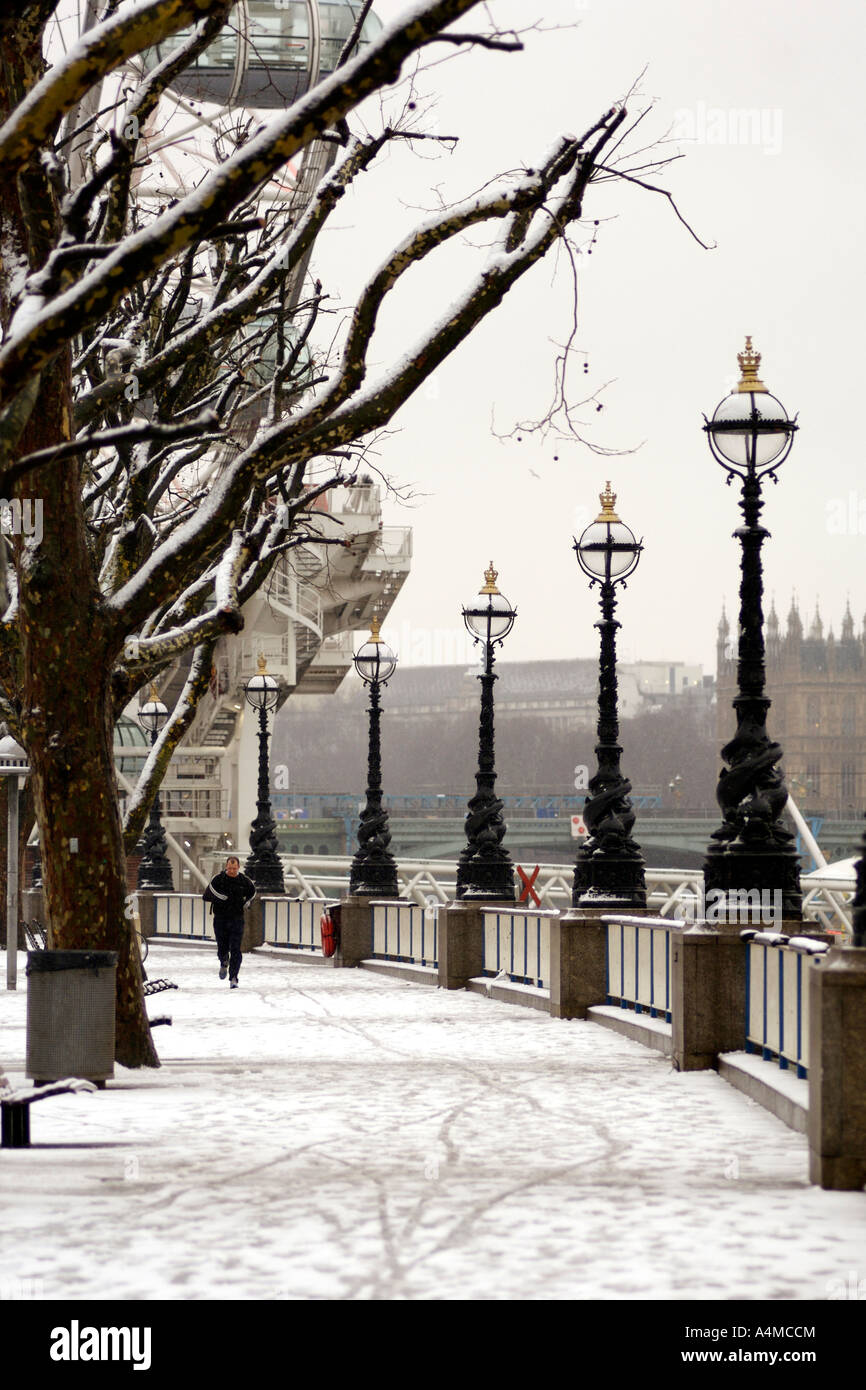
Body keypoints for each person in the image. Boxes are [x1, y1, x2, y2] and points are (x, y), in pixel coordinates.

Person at [202, 856, 256, 988]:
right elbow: (209, 891)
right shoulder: (218, 879)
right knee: (222, 945)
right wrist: (222, 898)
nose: (232, 870)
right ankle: (223, 960)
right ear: (226, 867)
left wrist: (247, 901)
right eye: (230, 868)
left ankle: (234, 978)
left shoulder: (244, 880)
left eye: (234, 868)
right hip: (220, 918)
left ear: (238, 867)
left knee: (236, 948)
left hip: (237, 918)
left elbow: (253, 892)